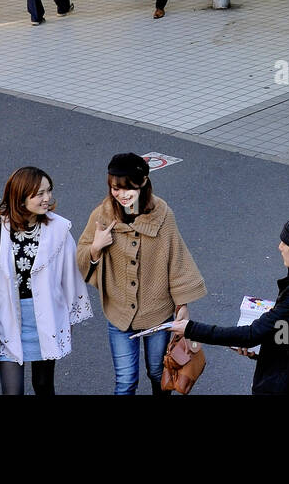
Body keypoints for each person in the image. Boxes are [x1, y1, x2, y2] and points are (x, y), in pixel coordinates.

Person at [168, 208, 289, 395]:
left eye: (285, 243)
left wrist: (190, 329)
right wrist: (263, 349)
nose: (280, 247)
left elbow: (253, 333)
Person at [76, 154, 207, 395]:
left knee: (159, 373)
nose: (121, 194)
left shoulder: (163, 214)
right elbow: (82, 256)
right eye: (115, 188)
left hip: (158, 313)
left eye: (128, 188)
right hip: (119, 314)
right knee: (125, 381)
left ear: (143, 182)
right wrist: (96, 247)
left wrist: (182, 306)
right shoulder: (102, 215)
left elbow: (176, 259)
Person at [0, 167, 93, 396]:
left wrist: (69, 315)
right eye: (39, 193)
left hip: (46, 317)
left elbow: (70, 274)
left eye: (49, 191)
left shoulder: (58, 229)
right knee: (12, 390)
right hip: (6, 318)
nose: (47, 198)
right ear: (20, 196)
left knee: (43, 386)